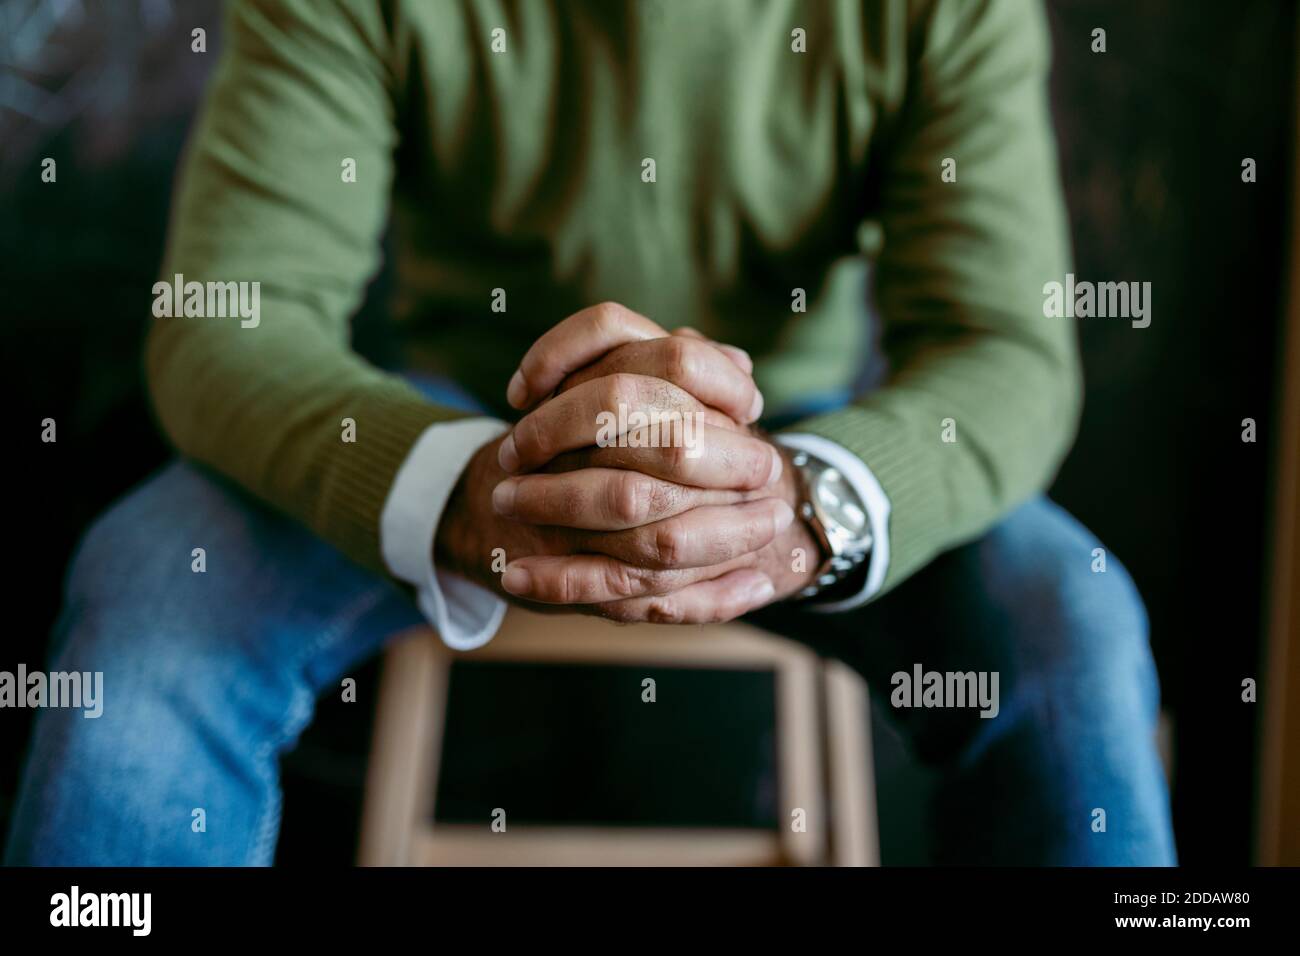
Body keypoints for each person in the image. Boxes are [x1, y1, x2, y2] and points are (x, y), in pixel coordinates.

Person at [6, 0, 1175, 865]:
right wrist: (456, 486)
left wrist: (800, 500)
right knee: (150, 603)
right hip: (458, 419)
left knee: (1071, 617)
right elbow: (228, 318)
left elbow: (1005, 350)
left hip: (802, 436)